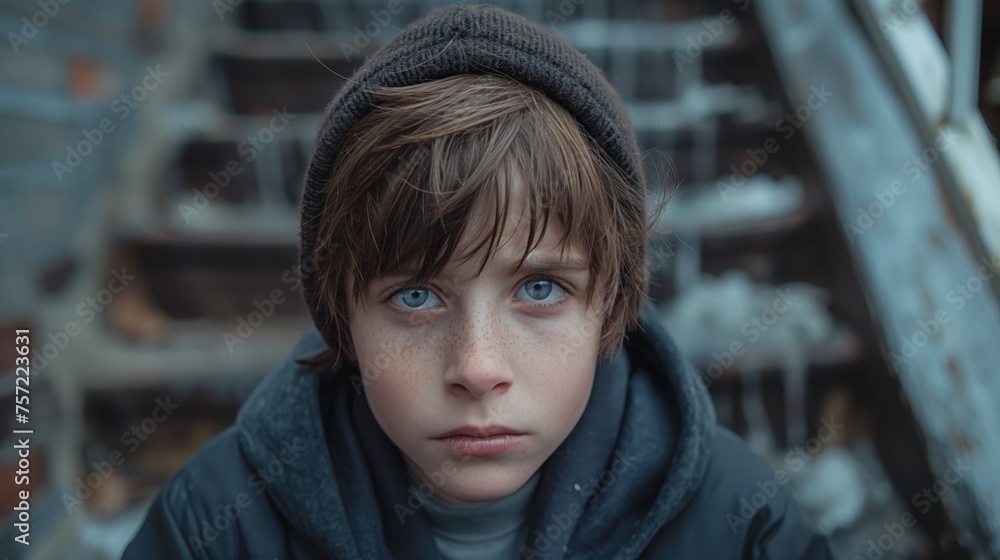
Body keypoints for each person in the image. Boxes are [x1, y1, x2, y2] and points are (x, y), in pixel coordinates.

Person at [123, 4, 833, 559]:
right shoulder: (214, 528)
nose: (478, 368)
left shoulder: (743, 526)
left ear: (611, 303)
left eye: (540, 289)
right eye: (415, 296)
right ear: (341, 316)